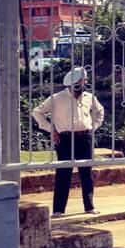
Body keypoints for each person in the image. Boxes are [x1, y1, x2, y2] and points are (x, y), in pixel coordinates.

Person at [31, 66, 105, 216]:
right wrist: (51, 129)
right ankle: (58, 210)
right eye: (82, 80)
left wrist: (93, 127)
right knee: (63, 173)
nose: (84, 83)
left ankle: (89, 207)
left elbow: (100, 111)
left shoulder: (89, 97)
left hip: (85, 137)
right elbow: (37, 112)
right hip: (65, 139)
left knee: (87, 173)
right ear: (74, 82)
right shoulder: (57, 98)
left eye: (84, 80)